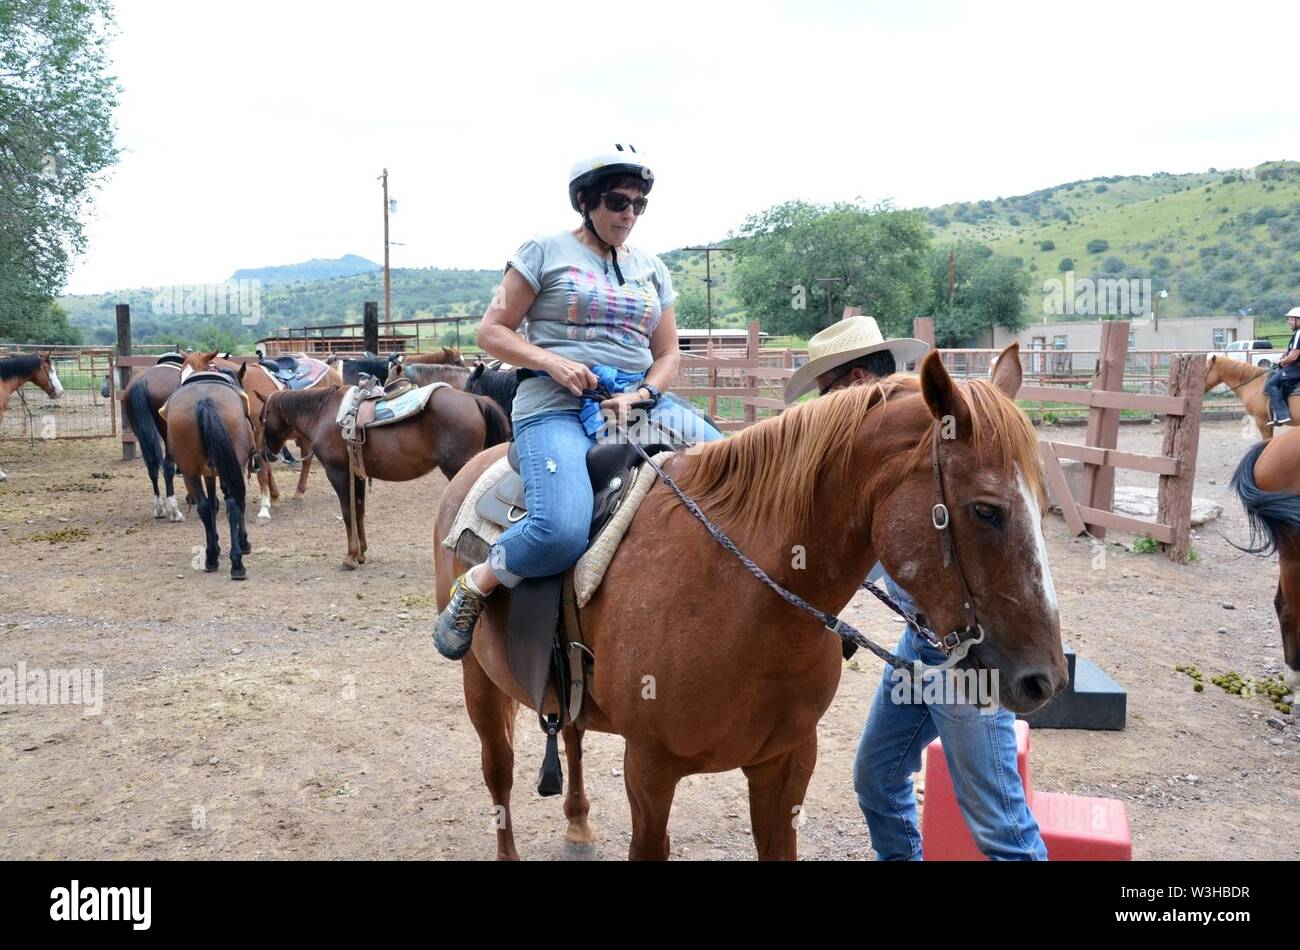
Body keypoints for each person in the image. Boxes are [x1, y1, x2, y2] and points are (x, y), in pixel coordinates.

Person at [433, 144, 723, 660]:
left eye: (639, 204)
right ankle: (476, 584)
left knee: (743, 478)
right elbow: (490, 331)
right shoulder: (541, 252)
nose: (629, 214)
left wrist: (644, 393)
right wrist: (552, 362)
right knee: (560, 530)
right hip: (555, 406)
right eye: (617, 201)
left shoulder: (653, 269)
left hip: (640, 402)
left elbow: (669, 352)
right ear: (586, 201)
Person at [784, 315, 1048, 861]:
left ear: (855, 381)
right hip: (921, 644)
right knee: (877, 780)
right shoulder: (880, 460)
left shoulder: (932, 447)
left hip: (965, 657)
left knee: (999, 823)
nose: (820, 407)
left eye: (825, 391)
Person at [1263, 307, 1300, 426]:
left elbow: (1293, 356)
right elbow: (1290, 353)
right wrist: (1282, 358)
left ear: (1298, 321)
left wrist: (1280, 362)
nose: (1289, 322)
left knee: (1271, 384)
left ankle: (1282, 415)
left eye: (1290, 319)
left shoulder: (1299, 333)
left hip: (1296, 367)